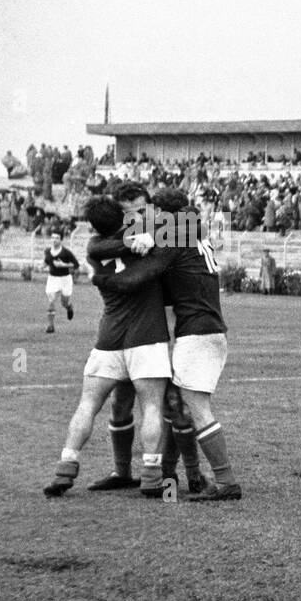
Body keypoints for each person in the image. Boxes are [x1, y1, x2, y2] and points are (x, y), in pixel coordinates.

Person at [92, 185, 242, 502]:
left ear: (161, 213)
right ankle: (171, 476)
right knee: (178, 405)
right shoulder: (189, 230)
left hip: (197, 332)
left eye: (152, 213)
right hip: (204, 329)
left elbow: (143, 273)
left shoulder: (176, 232)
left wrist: (103, 280)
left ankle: (226, 482)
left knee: (197, 408)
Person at [43, 196, 171, 498]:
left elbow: (101, 250)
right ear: (123, 216)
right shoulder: (145, 241)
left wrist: (103, 276)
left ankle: (66, 466)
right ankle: (152, 475)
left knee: (87, 404)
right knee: (151, 406)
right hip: (147, 335)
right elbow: (171, 239)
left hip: (109, 338)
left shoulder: (95, 249)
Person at [41, 233, 81, 333]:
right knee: (51, 300)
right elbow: (46, 262)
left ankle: (69, 307)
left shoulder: (66, 252)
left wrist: (63, 265)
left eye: (57, 238)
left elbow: (76, 265)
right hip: (53, 279)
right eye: (53, 237)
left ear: (61, 240)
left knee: (64, 302)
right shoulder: (48, 252)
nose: (54, 240)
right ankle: (50, 326)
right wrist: (41, 266)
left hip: (65, 279)